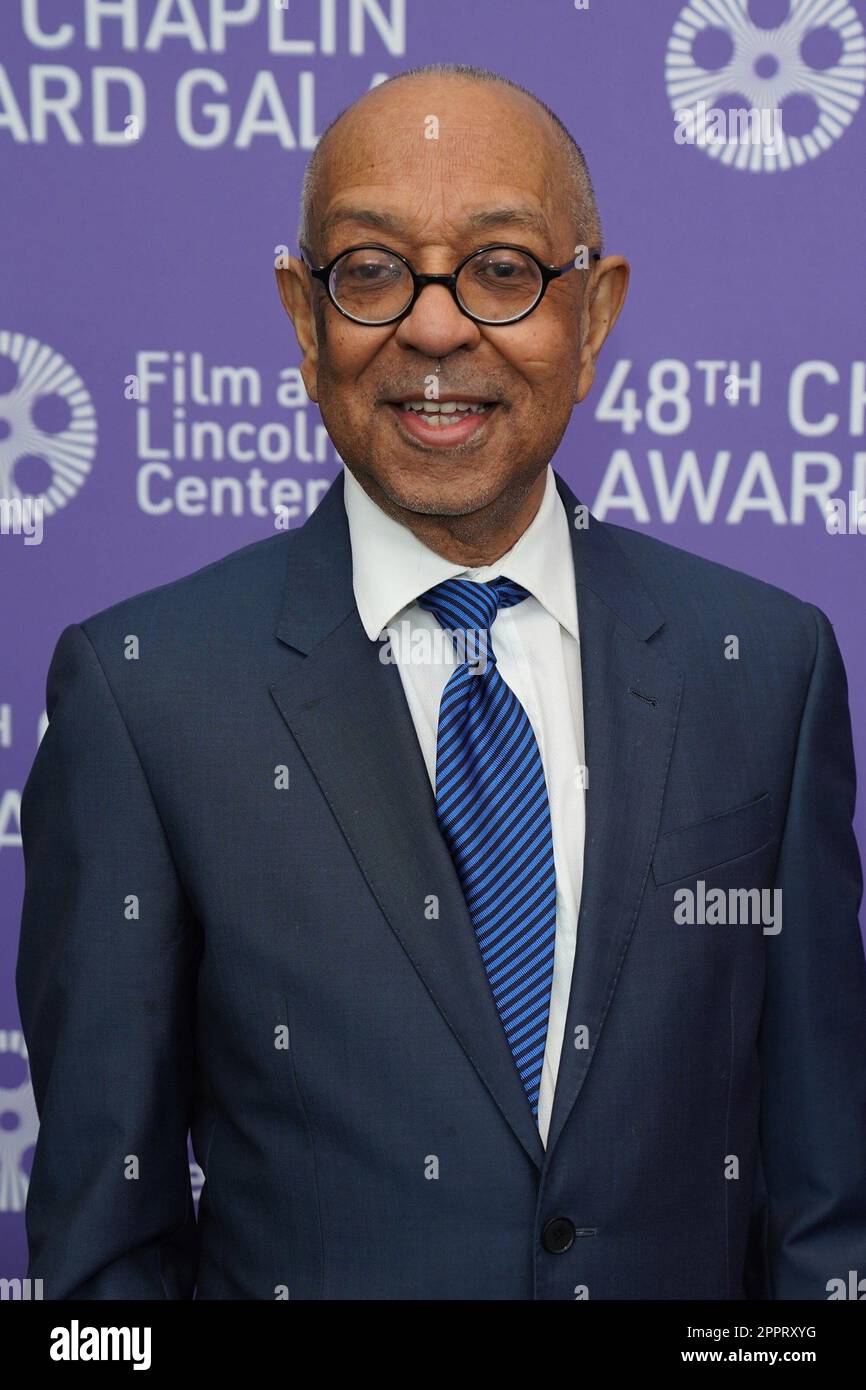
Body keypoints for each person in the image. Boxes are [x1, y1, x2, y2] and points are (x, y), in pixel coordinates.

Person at [17, 63, 866, 1300]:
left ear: (595, 314)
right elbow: (105, 1271)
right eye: (368, 271)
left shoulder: (765, 669)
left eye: (502, 268)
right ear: (303, 322)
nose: (431, 327)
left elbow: (819, 1216)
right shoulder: (147, 695)